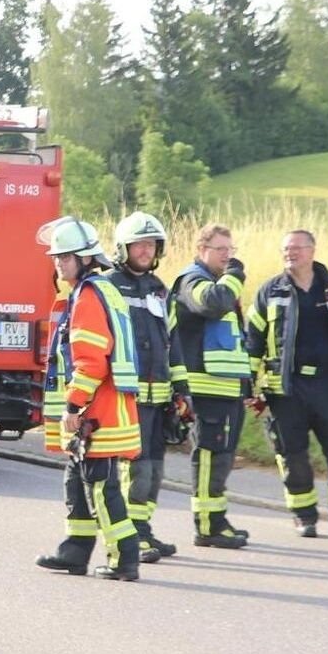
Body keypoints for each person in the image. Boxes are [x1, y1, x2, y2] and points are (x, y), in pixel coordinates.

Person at [34, 217, 142, 580]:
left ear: (85, 259)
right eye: (56, 258)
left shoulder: (91, 296)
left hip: (99, 412)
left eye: (64, 258)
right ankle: (74, 553)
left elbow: (92, 361)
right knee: (76, 481)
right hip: (104, 409)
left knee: (101, 487)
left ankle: (124, 559)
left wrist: (73, 406)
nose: (58, 264)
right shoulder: (96, 290)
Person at [247, 230, 328, 539]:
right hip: (286, 388)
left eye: (297, 248)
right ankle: (304, 517)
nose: (291, 253)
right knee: (293, 455)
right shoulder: (270, 292)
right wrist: (247, 385)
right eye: (286, 249)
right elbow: (252, 341)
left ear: (312, 251)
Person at [108, 211, 187, 564]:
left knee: (154, 469)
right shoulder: (108, 285)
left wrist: (181, 390)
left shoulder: (159, 289)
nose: (145, 250)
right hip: (128, 396)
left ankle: (142, 529)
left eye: (151, 244)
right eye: (139, 244)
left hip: (159, 397)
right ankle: (128, 535)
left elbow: (173, 340)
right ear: (123, 248)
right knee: (134, 467)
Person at [171, 225, 251, 548]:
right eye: (221, 249)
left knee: (223, 457)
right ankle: (207, 526)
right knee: (208, 456)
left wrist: (247, 384)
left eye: (231, 249)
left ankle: (218, 519)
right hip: (206, 390)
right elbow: (211, 304)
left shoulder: (221, 283)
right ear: (202, 249)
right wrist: (235, 276)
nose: (228, 255)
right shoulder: (192, 280)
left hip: (228, 389)